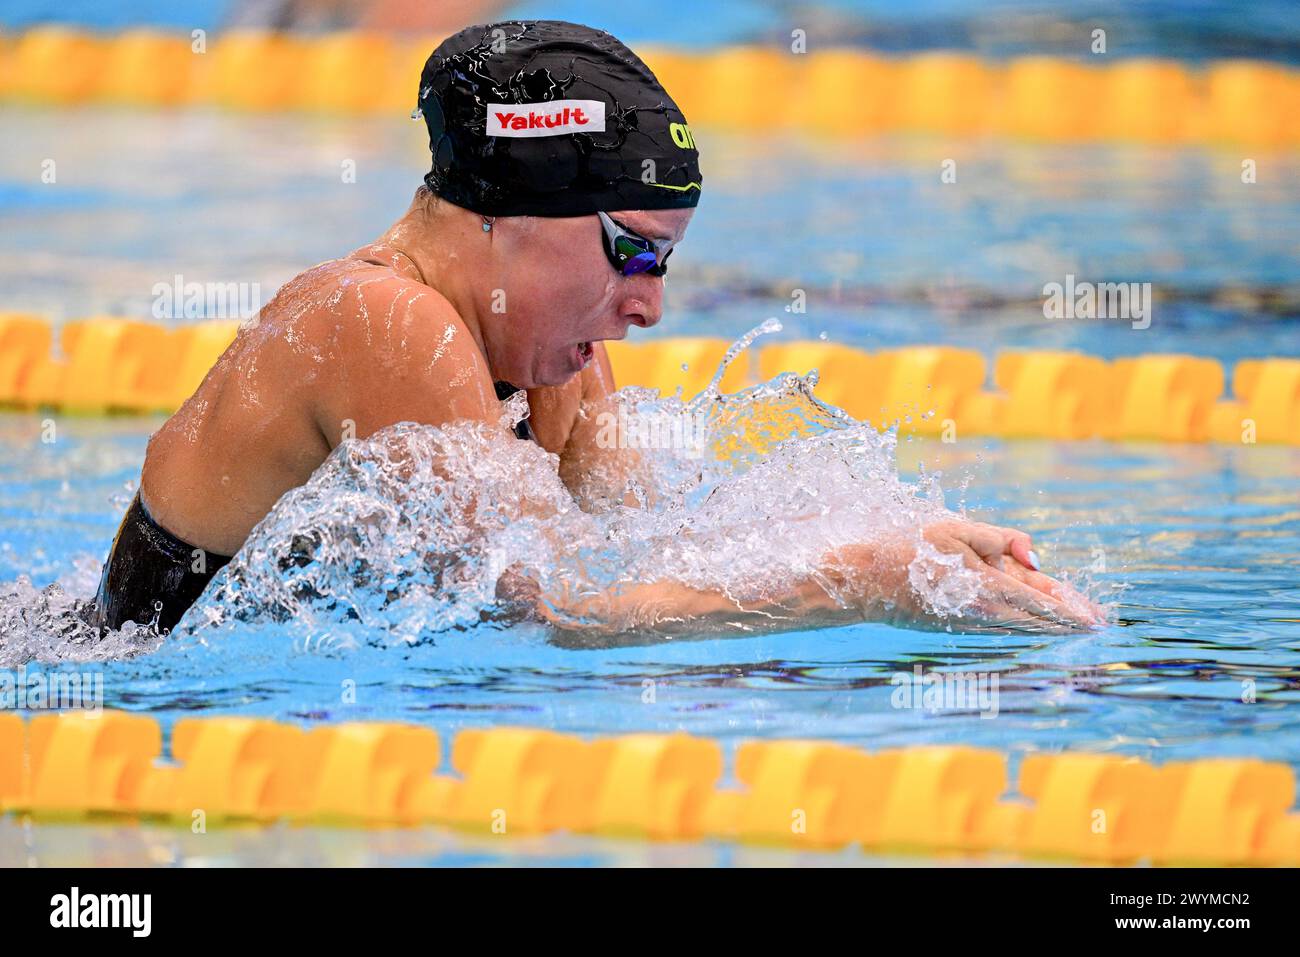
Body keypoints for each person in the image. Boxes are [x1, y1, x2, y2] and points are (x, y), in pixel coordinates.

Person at [92, 19, 1101, 637]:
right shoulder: (376, 316)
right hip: (131, 692)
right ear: (518, 217)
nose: (647, 304)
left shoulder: (550, 360)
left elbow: (640, 556)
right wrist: (858, 583)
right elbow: (553, 611)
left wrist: (901, 544)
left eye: (664, 262)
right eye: (635, 250)